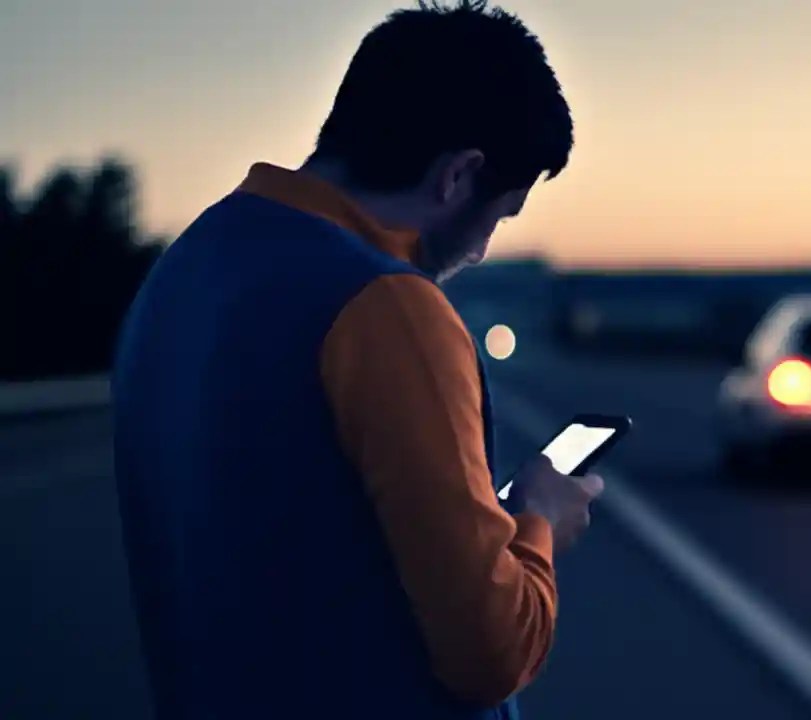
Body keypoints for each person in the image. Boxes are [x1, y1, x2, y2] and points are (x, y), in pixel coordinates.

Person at [110, 2, 602, 718]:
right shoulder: (390, 308)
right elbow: (490, 651)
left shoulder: (186, 268)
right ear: (458, 177)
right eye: (501, 214)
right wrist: (538, 522)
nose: (484, 247)